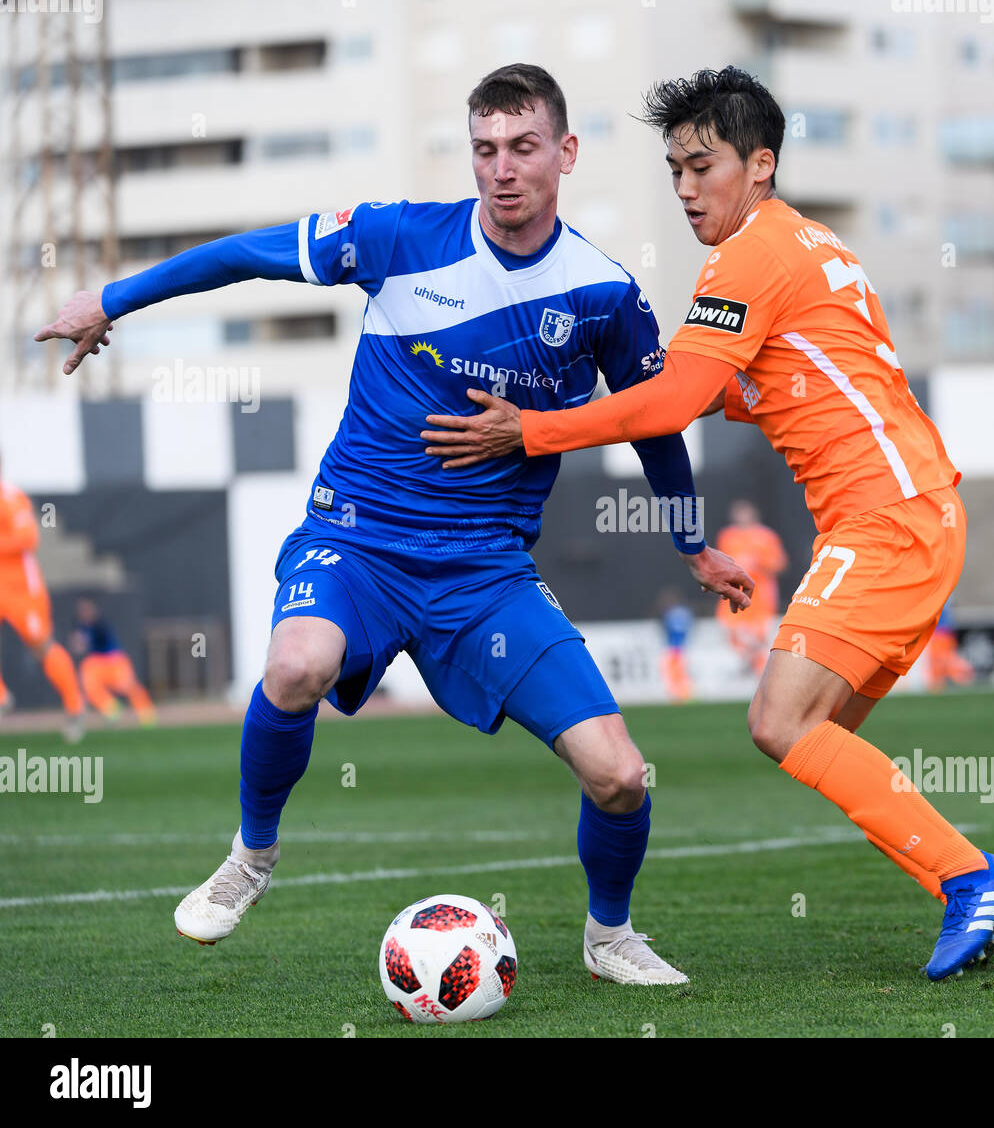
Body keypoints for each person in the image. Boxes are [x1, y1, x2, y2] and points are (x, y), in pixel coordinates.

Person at [35, 63, 752, 989]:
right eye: (485, 149)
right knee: (295, 665)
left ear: (565, 154)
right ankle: (252, 856)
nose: (502, 169)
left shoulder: (602, 294)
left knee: (620, 775)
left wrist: (690, 541)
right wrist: (111, 299)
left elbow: (656, 422)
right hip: (358, 543)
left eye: (524, 147)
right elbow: (245, 253)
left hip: (484, 575)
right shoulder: (397, 236)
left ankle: (609, 936)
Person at [423, 66, 994, 981]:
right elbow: (742, 384)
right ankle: (978, 880)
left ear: (760, 165)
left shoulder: (752, 255)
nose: (683, 188)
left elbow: (670, 400)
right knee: (820, 733)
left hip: (887, 521)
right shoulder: (806, 246)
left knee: (779, 722)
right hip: (915, 513)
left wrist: (533, 428)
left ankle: (970, 879)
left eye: (701, 166)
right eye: (673, 169)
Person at [0, 451, 86, 741]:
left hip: (22, 589)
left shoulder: (11, 497)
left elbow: (28, 537)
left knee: (41, 646)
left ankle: (75, 706)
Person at [715, 499, 787, 675]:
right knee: (730, 631)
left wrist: (758, 563)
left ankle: (760, 672)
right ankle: (747, 665)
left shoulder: (766, 536)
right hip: (734, 595)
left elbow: (780, 564)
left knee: (758, 637)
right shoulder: (727, 536)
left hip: (760, 597)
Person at [69, 597, 157, 726]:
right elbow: (78, 645)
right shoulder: (80, 626)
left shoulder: (100, 624)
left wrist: (80, 641)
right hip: (96, 662)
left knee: (128, 686)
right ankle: (111, 708)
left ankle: (146, 715)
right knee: (88, 685)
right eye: (81, 610)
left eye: (87, 609)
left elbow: (88, 639)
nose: (84, 613)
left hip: (114, 660)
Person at [922, 600, 974, 694]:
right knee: (944, 662)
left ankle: (938, 690)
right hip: (945, 631)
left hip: (938, 632)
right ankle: (963, 685)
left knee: (939, 664)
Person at [656, 588, 694, 702]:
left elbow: (666, 630)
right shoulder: (686, 612)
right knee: (681, 672)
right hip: (682, 647)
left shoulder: (669, 614)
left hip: (673, 648)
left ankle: (679, 695)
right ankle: (683, 694)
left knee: (674, 672)